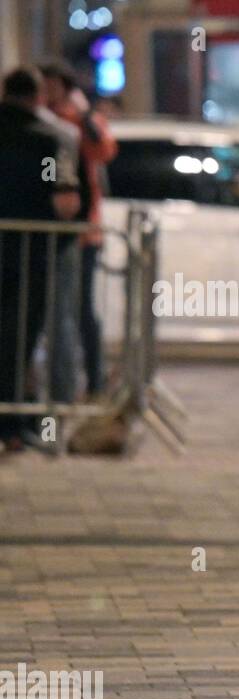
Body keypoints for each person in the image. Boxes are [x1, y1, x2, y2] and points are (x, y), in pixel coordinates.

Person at [0, 65, 80, 452]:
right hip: (31, 252)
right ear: (38, 97)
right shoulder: (54, 139)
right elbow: (65, 202)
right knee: (20, 337)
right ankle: (13, 426)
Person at [42, 62, 117, 399]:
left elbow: (103, 150)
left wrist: (85, 116)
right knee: (52, 312)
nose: (49, 92)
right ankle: (58, 385)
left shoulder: (76, 122)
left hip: (84, 232)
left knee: (81, 309)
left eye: (54, 85)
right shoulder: (40, 121)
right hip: (46, 231)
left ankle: (94, 381)